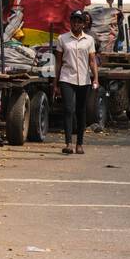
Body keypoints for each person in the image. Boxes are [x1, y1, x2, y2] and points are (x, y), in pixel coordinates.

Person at [54, 9, 99, 154]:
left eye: (79, 21)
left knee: (81, 111)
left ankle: (79, 143)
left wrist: (95, 78)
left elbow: (92, 61)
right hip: (67, 78)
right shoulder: (62, 39)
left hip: (84, 80)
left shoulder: (89, 40)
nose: (76, 24)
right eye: (74, 21)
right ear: (70, 22)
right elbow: (58, 62)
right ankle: (68, 143)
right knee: (68, 109)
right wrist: (55, 83)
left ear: (83, 24)